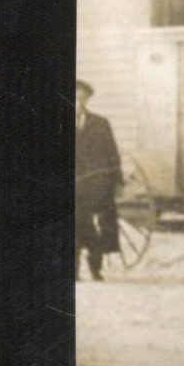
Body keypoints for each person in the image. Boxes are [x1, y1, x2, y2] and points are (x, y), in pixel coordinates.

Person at [74, 79, 122, 281]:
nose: (78, 102)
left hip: (95, 185)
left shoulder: (100, 124)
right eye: (74, 98)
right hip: (73, 186)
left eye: (81, 98)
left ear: (87, 100)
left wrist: (117, 182)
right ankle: (73, 271)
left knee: (97, 225)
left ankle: (96, 268)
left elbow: (112, 155)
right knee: (76, 224)